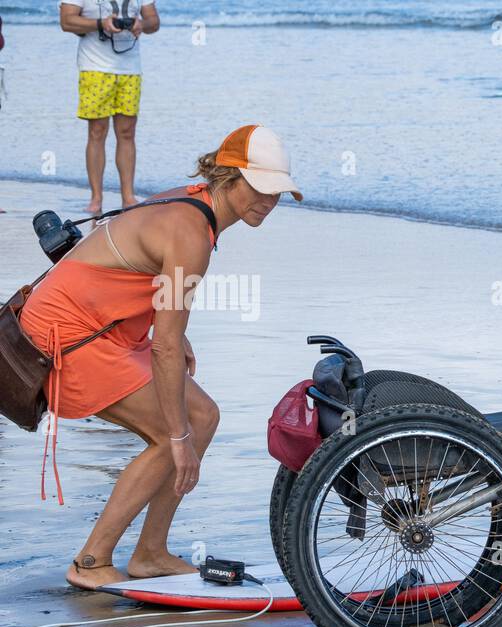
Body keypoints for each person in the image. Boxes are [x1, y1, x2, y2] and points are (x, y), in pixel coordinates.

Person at [18, 125, 303, 590]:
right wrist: (176, 437)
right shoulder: (192, 233)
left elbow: (141, 270)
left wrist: (165, 329)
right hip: (66, 336)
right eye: (261, 189)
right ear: (229, 177)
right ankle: (91, 561)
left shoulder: (196, 201)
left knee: (203, 416)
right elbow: (167, 347)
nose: (269, 202)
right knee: (168, 435)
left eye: (278, 193)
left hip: (100, 324)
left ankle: (150, 553)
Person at [59, 1, 160, 213]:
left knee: (127, 133)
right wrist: (100, 23)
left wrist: (141, 24)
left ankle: (128, 197)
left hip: (130, 69)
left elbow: (154, 22)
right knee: (97, 132)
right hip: (94, 67)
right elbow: (66, 21)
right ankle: (96, 198)